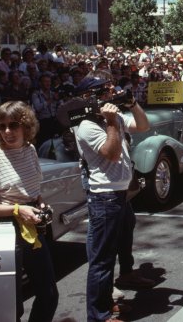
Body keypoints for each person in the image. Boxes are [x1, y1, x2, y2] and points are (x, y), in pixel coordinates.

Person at [0, 101, 59, 322]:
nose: (7, 131)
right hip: (7, 229)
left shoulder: (30, 150)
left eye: (13, 125)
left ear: (26, 126)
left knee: (49, 294)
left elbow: (32, 191)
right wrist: (18, 209)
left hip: (33, 226)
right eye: (1, 126)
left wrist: (40, 204)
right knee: (12, 302)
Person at [73, 74, 149, 322]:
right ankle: (98, 315)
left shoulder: (111, 118)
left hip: (118, 191)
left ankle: (107, 304)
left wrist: (132, 104)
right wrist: (112, 123)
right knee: (102, 259)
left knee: (115, 245)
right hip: (104, 195)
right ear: (88, 97)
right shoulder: (87, 125)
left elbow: (143, 126)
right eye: (101, 91)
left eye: (108, 89)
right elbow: (112, 154)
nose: (109, 93)